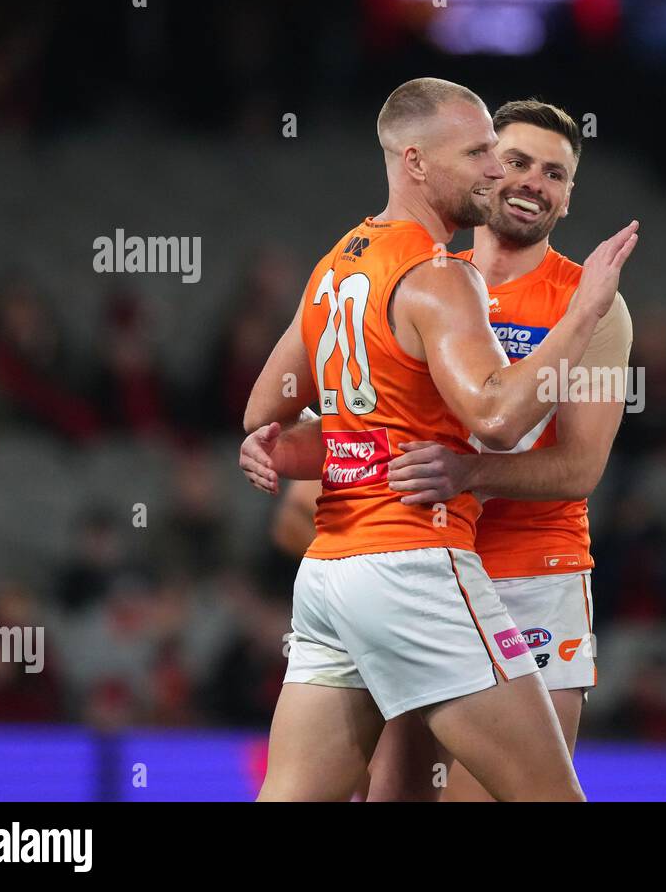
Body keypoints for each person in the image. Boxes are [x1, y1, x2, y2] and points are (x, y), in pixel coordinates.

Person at [241, 77, 637, 801]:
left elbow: (579, 467)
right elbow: (495, 414)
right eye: (499, 157)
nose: (513, 178)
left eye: (555, 173)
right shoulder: (440, 280)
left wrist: (464, 472)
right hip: (425, 565)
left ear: (571, 195)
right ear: (426, 161)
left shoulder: (349, 260)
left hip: (515, 576)